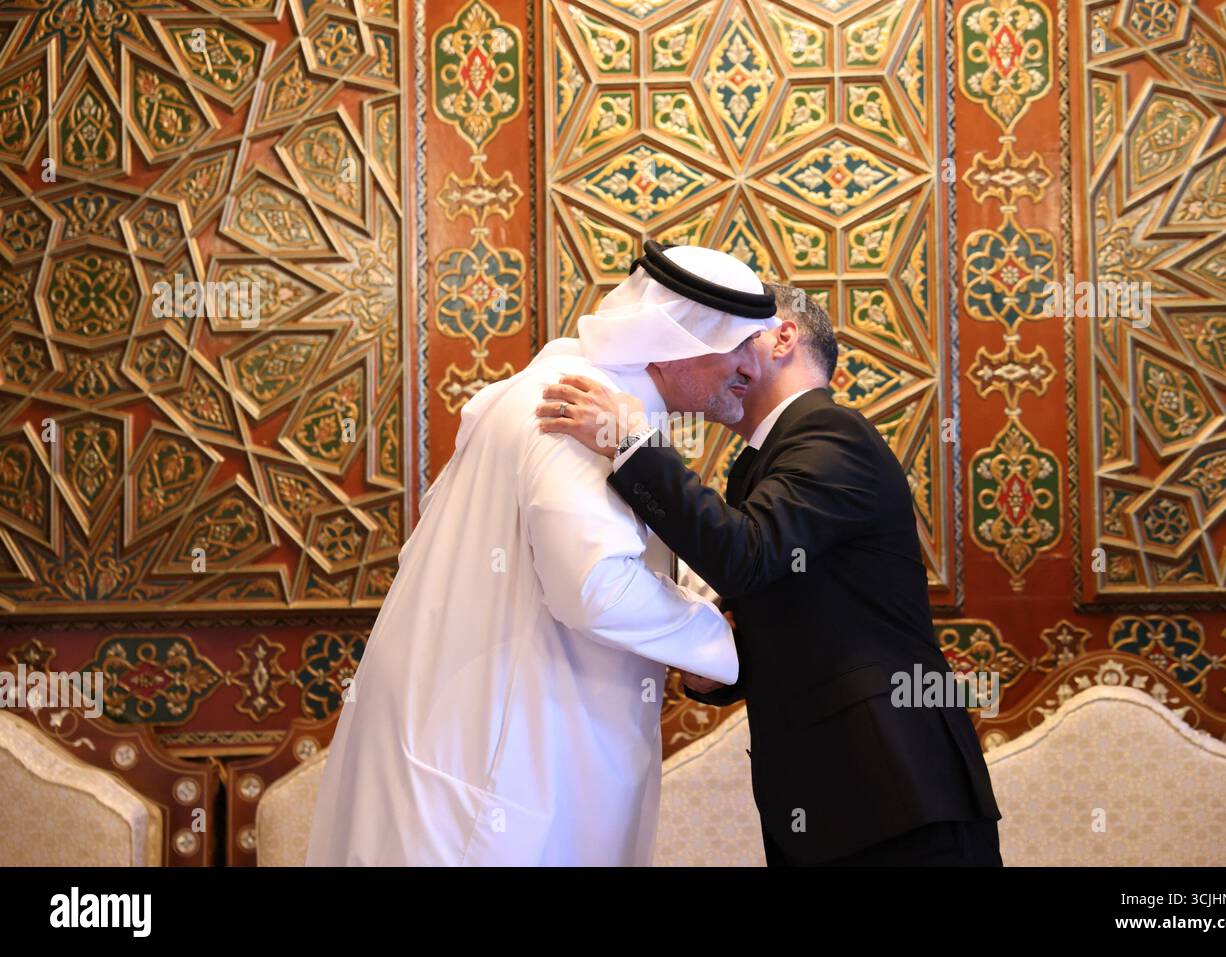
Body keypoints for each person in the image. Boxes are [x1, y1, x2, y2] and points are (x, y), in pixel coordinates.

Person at [306, 242, 778, 866]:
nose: (754, 367)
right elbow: (595, 588)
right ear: (676, 338)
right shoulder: (576, 414)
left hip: (492, 747)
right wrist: (718, 643)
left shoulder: (588, 405)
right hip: (495, 776)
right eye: (737, 344)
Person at [536, 281, 1003, 866]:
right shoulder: (761, 463)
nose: (718, 353)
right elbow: (802, 613)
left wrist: (629, 440)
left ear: (783, 337)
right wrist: (723, 670)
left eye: (734, 334)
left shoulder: (832, 432)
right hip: (829, 808)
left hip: (896, 796)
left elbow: (747, 553)